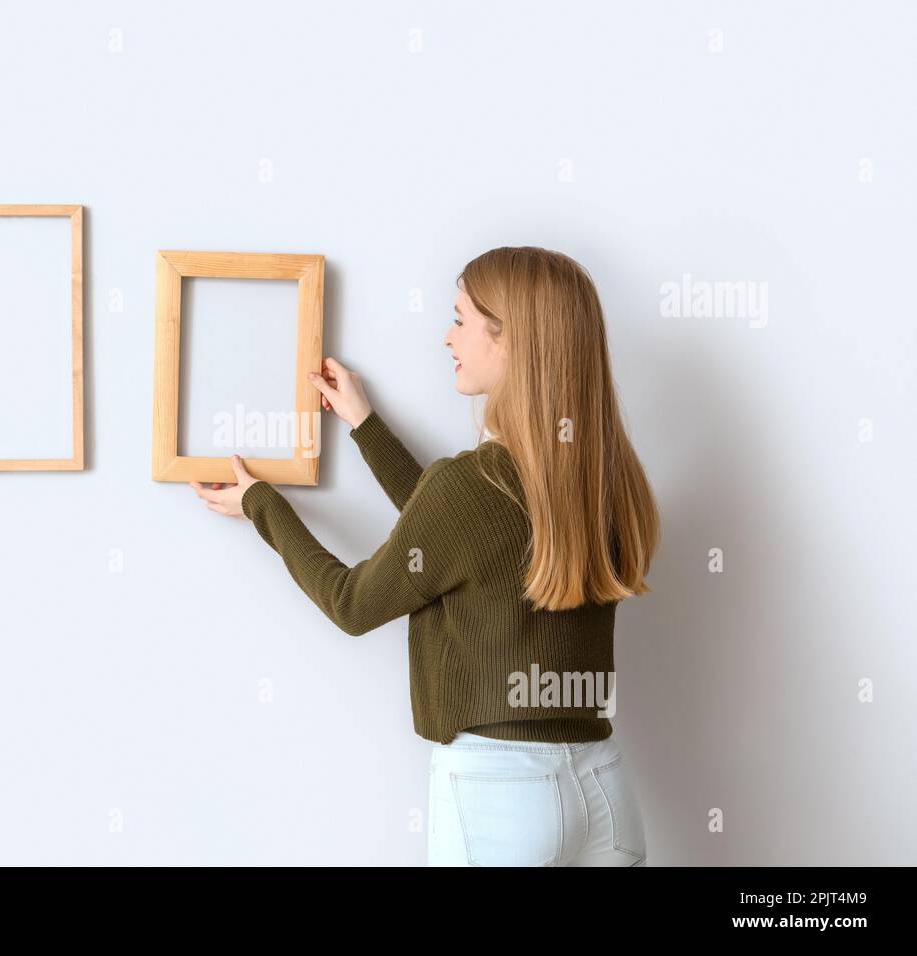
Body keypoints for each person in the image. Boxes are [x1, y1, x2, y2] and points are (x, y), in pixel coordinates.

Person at [190, 246, 660, 866]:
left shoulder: (471, 488)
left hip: (500, 801)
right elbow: (465, 539)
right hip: (604, 788)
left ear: (512, 338)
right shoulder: (603, 480)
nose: (447, 335)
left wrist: (263, 506)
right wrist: (365, 425)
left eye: (461, 318)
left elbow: (352, 603)